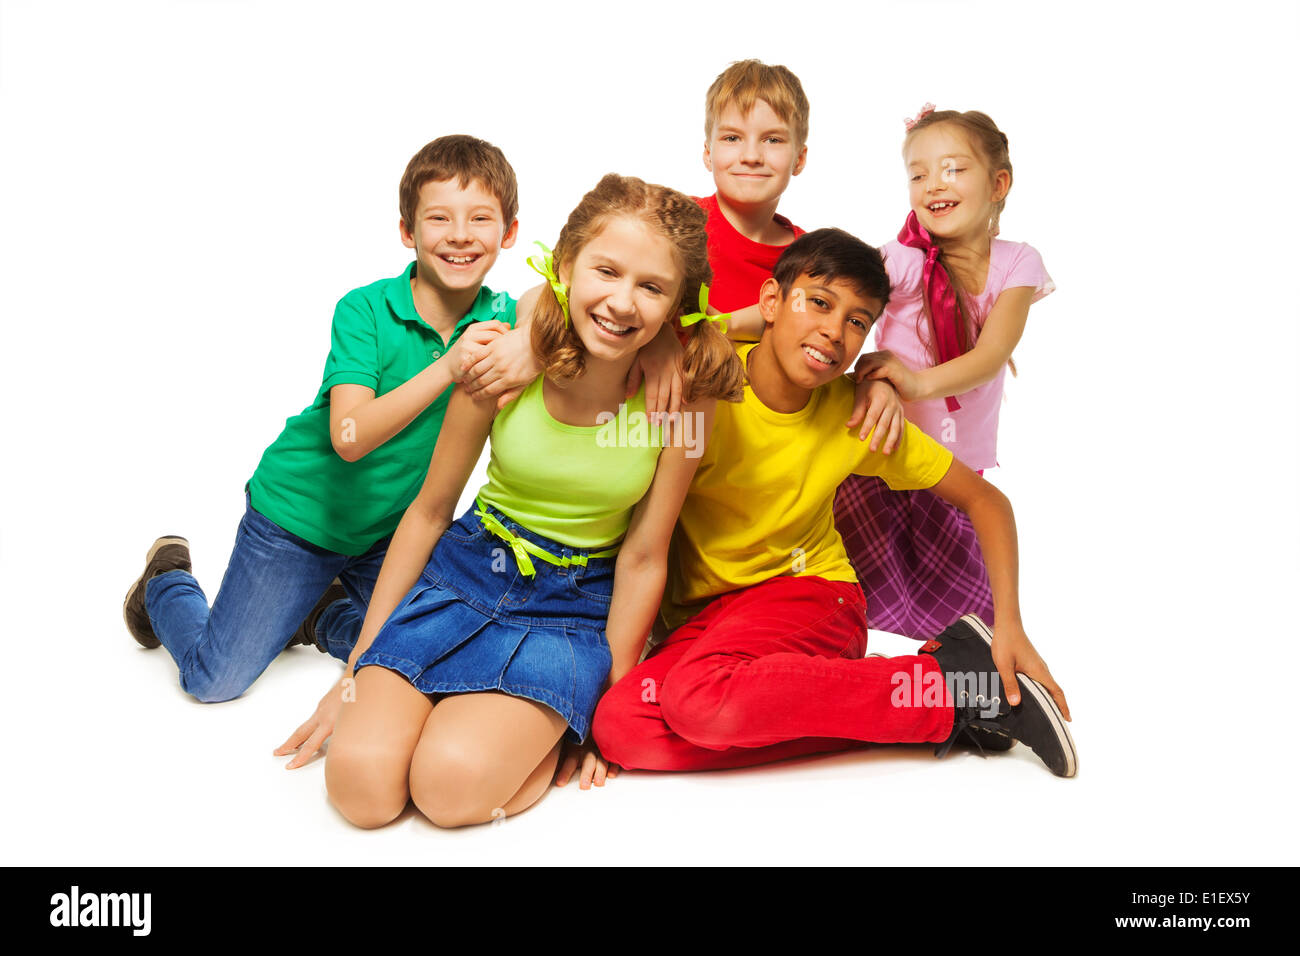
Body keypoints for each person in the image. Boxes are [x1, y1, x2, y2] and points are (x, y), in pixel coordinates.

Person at [275, 174, 746, 826]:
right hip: (465, 571)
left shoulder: (684, 396)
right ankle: (436, 704)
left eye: (652, 288)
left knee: (448, 790)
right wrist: (355, 669)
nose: (621, 302)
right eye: (605, 271)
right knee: (359, 790)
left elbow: (644, 556)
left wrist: (605, 714)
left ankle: (531, 739)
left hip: (570, 607)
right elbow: (430, 511)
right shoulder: (501, 357)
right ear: (564, 266)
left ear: (675, 306)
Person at [592, 228, 1076, 778]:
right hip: (711, 626)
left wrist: (1010, 624)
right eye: (819, 303)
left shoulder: (859, 415)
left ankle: (954, 690)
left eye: (857, 322)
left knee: (697, 701)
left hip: (814, 599)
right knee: (620, 727)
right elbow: (656, 330)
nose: (834, 331)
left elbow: (986, 501)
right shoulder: (707, 387)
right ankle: (892, 702)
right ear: (770, 302)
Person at [121, 134, 530, 702]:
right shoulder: (364, 309)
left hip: (387, 531)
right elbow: (349, 437)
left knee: (408, 650)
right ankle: (166, 579)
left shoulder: (505, 319)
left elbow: (563, 296)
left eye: (480, 218)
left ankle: (318, 612)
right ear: (408, 232)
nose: (460, 235)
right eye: (439, 218)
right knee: (214, 681)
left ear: (508, 232)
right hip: (299, 520)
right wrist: (449, 368)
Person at [834, 105, 1056, 638]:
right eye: (918, 173)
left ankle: (965, 700)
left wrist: (914, 381)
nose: (934, 183)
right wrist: (725, 322)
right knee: (849, 597)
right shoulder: (902, 262)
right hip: (882, 459)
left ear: (999, 183)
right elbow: (828, 292)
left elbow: (989, 356)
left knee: (967, 618)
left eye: (953, 168)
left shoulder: (1016, 264)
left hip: (956, 474)